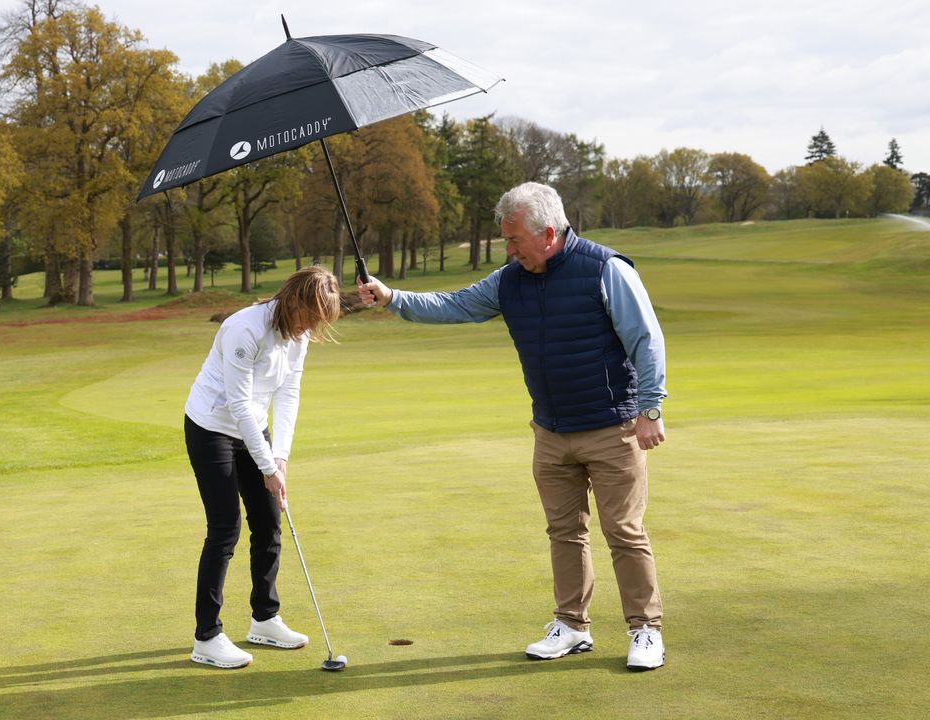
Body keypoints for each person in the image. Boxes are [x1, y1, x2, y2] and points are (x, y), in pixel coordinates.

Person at [358, 182, 669, 671]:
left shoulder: (606, 269)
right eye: (506, 241)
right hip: (550, 429)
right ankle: (571, 626)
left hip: (613, 426)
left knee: (624, 532)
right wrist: (392, 296)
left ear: (548, 234)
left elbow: (645, 340)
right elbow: (454, 305)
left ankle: (645, 630)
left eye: (514, 239)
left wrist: (651, 409)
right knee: (564, 532)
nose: (509, 249)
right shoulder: (509, 280)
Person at [183, 266, 342, 669]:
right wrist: (267, 465)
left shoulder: (299, 335)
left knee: (269, 521)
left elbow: (289, 393)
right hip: (212, 427)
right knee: (224, 528)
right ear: (293, 301)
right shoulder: (244, 328)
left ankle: (265, 618)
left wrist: (281, 458)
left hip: (254, 426)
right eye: (309, 316)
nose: (311, 326)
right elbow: (237, 405)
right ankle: (207, 637)